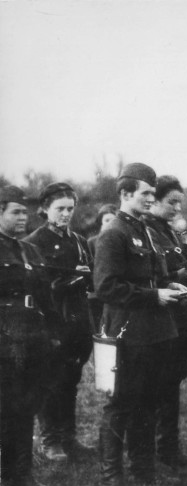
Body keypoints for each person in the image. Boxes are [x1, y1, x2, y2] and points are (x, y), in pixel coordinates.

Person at [93, 162, 187, 486]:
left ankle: (143, 469)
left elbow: (154, 276)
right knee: (120, 404)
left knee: (148, 401)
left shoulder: (145, 231)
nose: (151, 198)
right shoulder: (114, 233)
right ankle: (110, 477)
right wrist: (154, 295)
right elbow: (106, 287)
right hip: (128, 333)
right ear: (125, 194)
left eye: (152, 192)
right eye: (145, 193)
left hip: (154, 332)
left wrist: (171, 286)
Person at [24, 182, 94, 462]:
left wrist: (86, 275)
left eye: (70, 209)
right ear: (45, 209)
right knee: (51, 381)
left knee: (71, 381)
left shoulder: (78, 240)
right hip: (51, 323)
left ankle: (69, 438)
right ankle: (50, 440)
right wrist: (69, 280)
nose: (66, 214)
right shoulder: (33, 243)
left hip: (78, 321)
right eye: (59, 209)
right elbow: (37, 288)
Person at [0, 185, 59, 486]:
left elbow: (45, 297)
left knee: (26, 406)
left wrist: (54, 334)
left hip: (33, 337)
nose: (23, 217)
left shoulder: (31, 251)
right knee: (8, 408)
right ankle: (13, 473)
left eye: (25, 212)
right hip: (5, 340)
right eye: (16, 212)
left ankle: (19, 473)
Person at [143, 175, 187, 471]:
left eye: (180, 201)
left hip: (182, 317)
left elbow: (179, 266)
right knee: (162, 386)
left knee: (172, 383)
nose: (177, 208)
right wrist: (180, 276)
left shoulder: (170, 231)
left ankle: (168, 448)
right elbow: (153, 278)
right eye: (172, 202)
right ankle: (162, 451)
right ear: (153, 200)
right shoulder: (147, 232)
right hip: (165, 319)